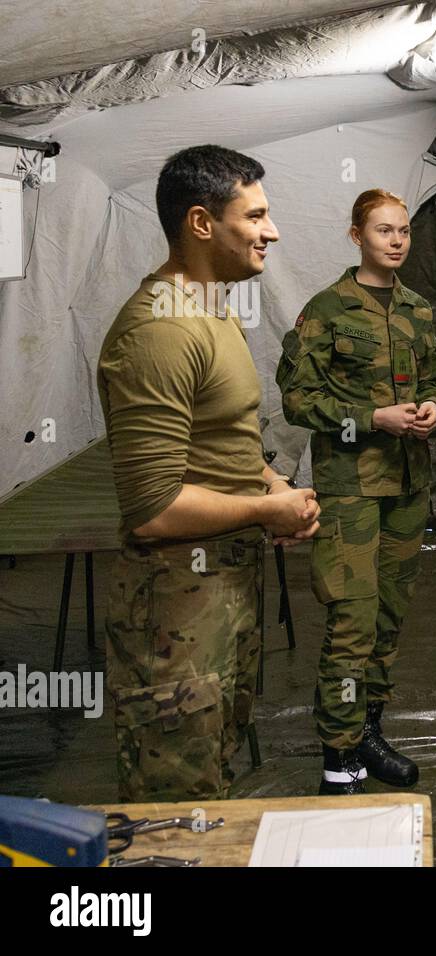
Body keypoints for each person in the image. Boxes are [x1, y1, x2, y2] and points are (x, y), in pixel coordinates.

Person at [98, 145, 320, 801]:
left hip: (221, 584)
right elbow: (153, 508)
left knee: (214, 762)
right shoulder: (160, 333)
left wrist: (270, 484)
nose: (271, 231)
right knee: (176, 791)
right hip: (175, 600)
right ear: (201, 223)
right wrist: (263, 510)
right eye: (255, 216)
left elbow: (219, 437)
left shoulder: (212, 308)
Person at [276, 188, 436, 794]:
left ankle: (368, 732)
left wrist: (435, 407)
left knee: (388, 619)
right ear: (357, 236)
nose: (397, 240)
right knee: (351, 622)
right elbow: (298, 401)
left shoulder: (419, 311)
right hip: (351, 490)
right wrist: (372, 417)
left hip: (408, 485)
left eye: (403, 230)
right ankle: (338, 757)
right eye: (384, 230)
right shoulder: (326, 310)